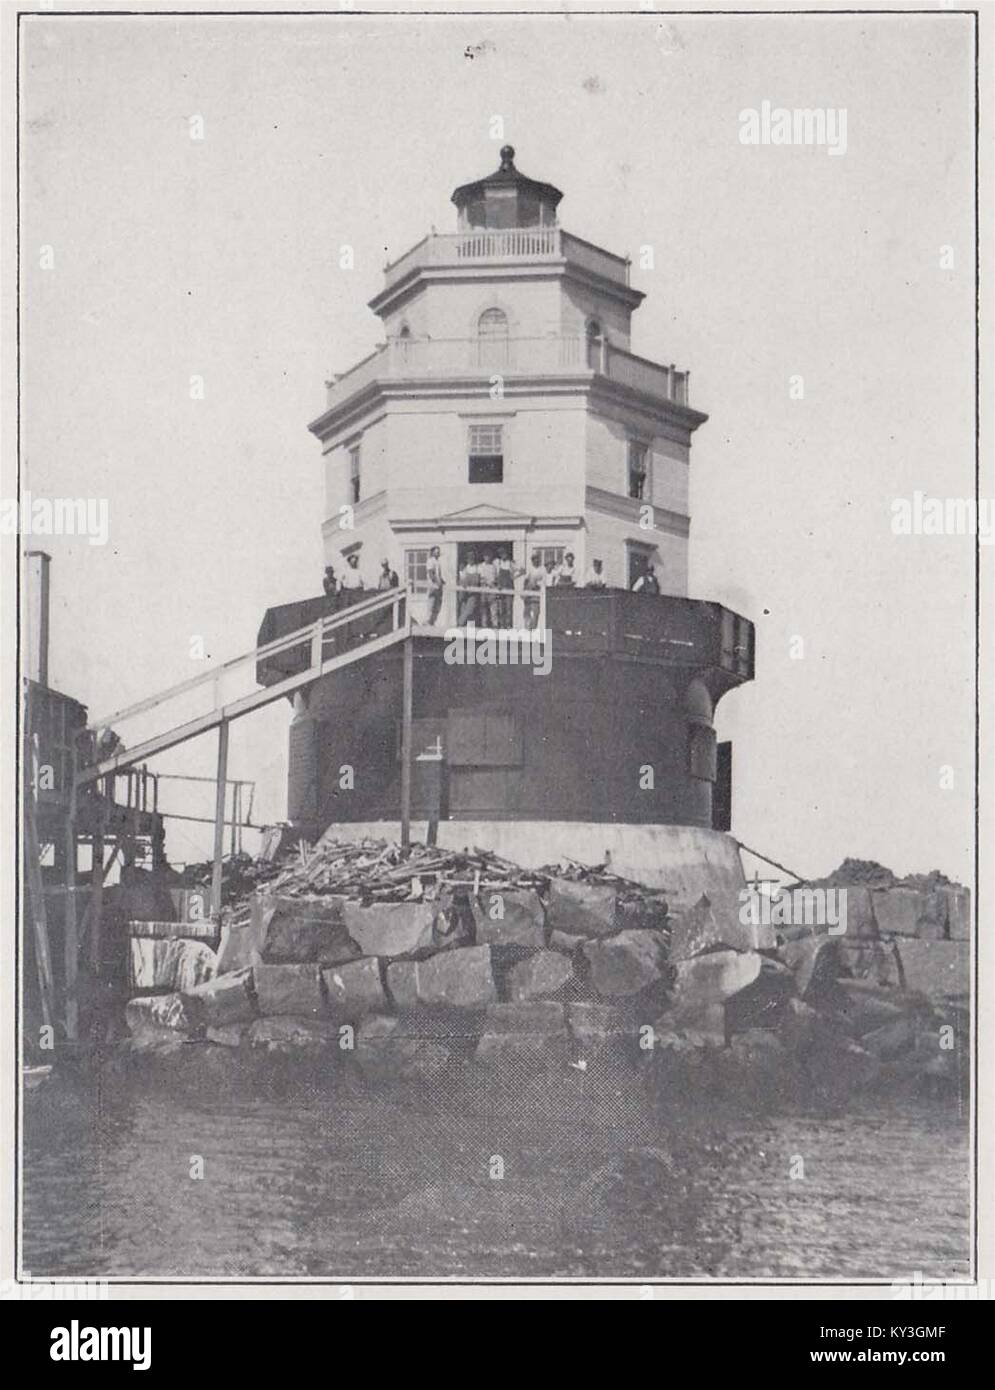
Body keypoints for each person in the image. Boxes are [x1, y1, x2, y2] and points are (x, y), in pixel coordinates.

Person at [523, 550, 546, 630]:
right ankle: (527, 627)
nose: (535, 560)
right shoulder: (529, 569)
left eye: (536, 559)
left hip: (536, 592)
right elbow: (525, 580)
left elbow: (543, 581)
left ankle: (533, 627)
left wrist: (537, 584)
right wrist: (525, 590)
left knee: (536, 612)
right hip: (528, 592)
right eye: (533, 559)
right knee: (527, 611)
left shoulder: (542, 569)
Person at [457, 548, 480, 626]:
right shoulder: (464, 568)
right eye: (469, 558)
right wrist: (463, 584)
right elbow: (461, 579)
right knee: (463, 609)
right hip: (464, 592)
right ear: (467, 559)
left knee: (470, 610)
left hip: (473, 592)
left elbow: (478, 580)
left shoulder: (477, 568)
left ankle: (460, 624)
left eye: (472, 557)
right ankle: (462, 628)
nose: (471, 559)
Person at [494, 552, 515, 627]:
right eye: (502, 554)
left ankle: (508, 625)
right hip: (500, 589)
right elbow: (496, 576)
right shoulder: (497, 563)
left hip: (509, 588)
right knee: (501, 608)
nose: (503, 555)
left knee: (508, 608)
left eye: (505, 553)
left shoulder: (510, 563)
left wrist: (514, 577)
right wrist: (497, 584)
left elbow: (520, 571)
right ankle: (502, 625)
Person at [477, 549, 497, 627]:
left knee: (493, 608)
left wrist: (493, 583)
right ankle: (484, 625)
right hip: (484, 588)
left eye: (489, 556)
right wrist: (486, 582)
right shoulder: (481, 566)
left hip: (492, 589)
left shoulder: (493, 566)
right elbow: (480, 578)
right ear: (484, 557)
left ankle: (495, 625)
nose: (487, 558)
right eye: (486, 556)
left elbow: (496, 578)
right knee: (484, 608)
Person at [426, 545, 444, 626]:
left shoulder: (438, 562)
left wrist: (442, 581)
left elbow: (438, 574)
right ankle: (428, 621)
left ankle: (432, 621)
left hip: (438, 587)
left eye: (438, 552)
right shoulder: (430, 561)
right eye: (436, 552)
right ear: (433, 552)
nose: (438, 553)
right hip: (433, 586)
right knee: (431, 604)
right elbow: (431, 574)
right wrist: (437, 581)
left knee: (438, 605)